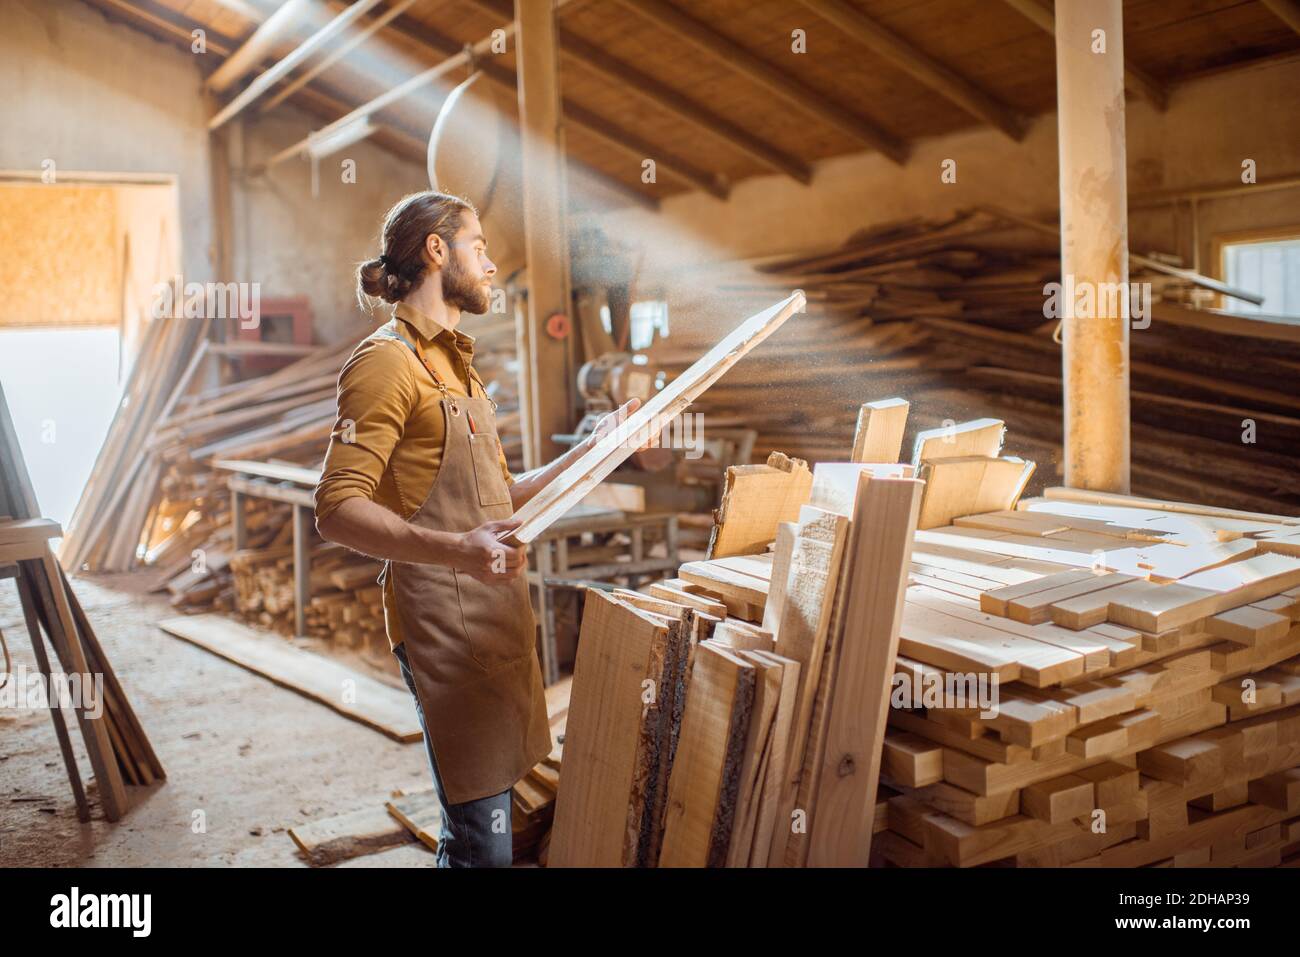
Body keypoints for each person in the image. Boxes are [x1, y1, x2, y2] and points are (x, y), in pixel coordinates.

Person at [315, 190, 645, 867]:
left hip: (497, 622)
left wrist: (597, 446)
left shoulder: (457, 365)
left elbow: (503, 497)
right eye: (481, 246)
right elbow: (337, 505)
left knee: (495, 834)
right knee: (479, 848)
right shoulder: (385, 363)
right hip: (443, 630)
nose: (492, 264)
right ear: (438, 251)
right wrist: (456, 552)